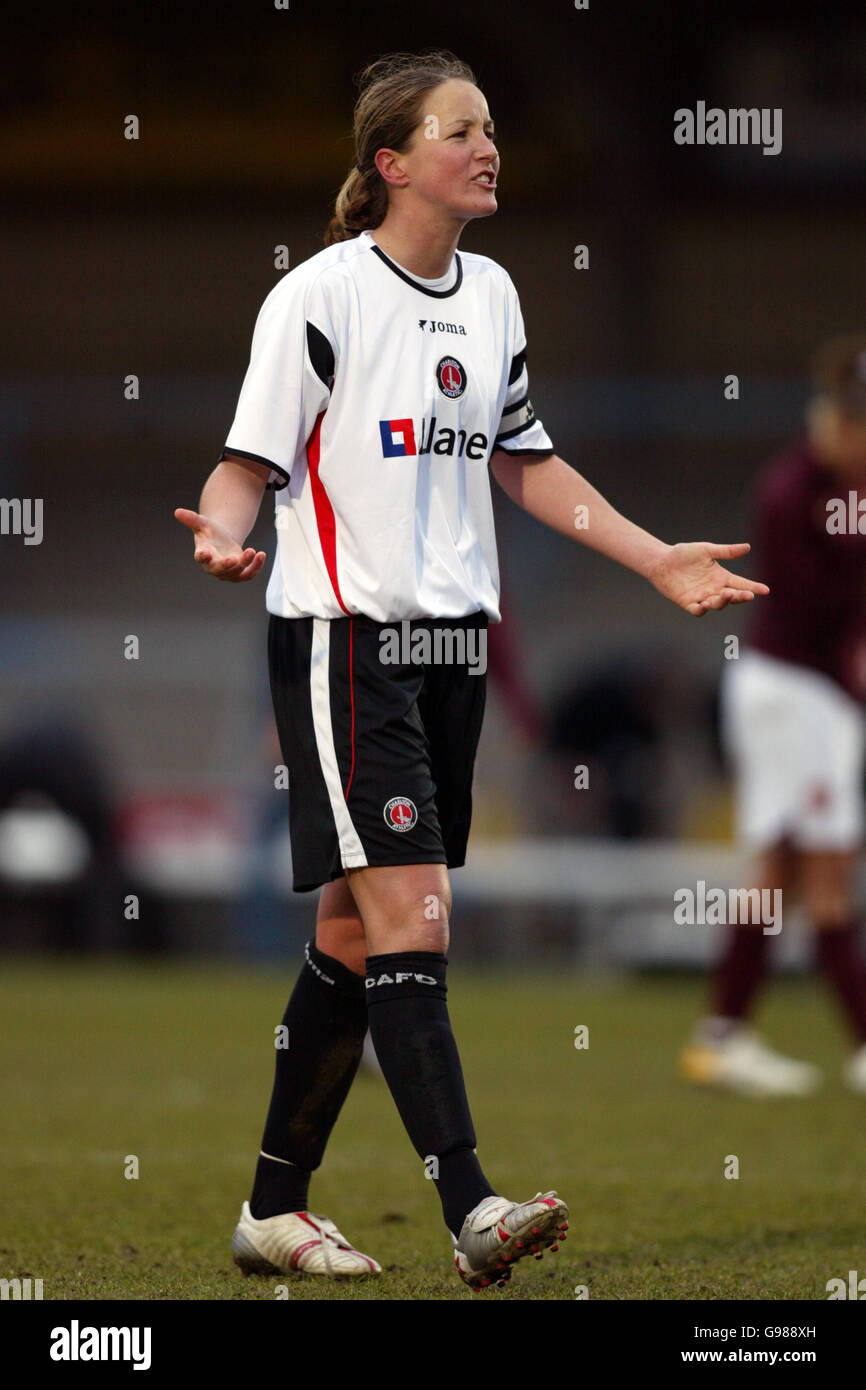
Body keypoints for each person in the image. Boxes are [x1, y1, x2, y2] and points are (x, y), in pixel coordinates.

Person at [175, 49, 768, 1290]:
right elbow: (248, 457)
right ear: (392, 162)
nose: (487, 146)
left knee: (352, 934)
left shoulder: (491, 293)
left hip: (452, 654)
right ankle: (471, 1206)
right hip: (347, 644)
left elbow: (523, 457)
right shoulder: (322, 298)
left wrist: (656, 560)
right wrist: (226, 528)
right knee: (415, 922)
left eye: (492, 126)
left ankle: (271, 1212)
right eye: (461, 129)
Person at [678, 334, 866, 1098]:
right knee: (826, 869)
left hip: (807, 694)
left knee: (782, 870)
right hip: (796, 694)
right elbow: (818, 612)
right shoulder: (795, 491)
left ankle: (722, 1032)